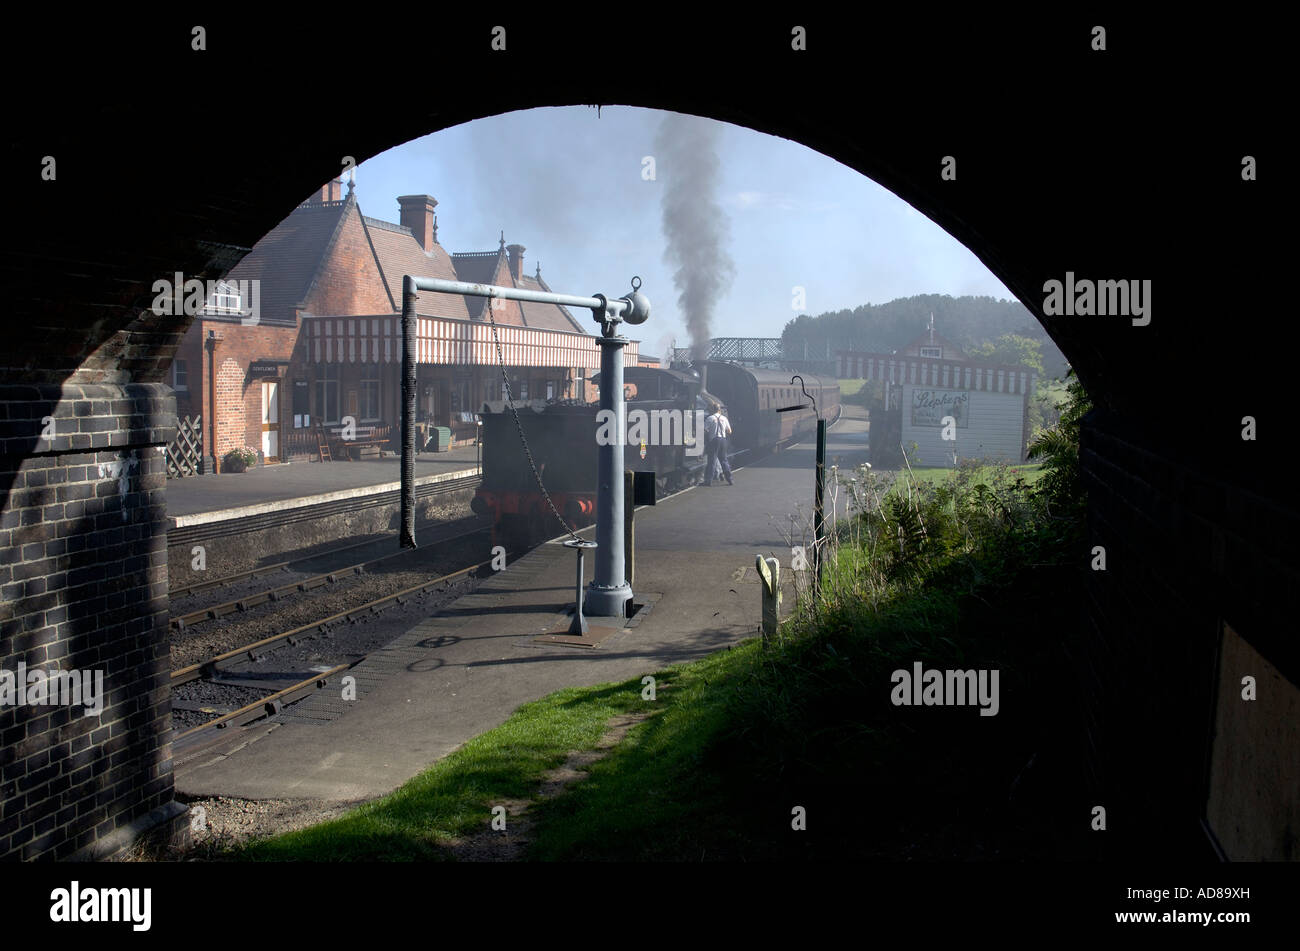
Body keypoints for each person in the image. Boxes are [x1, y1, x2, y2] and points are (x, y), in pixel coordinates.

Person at [703, 402, 734, 486]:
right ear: (719, 409)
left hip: (714, 440)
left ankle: (708, 481)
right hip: (723, 440)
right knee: (724, 460)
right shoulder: (724, 418)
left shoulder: (710, 418)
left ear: (712, 409)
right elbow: (729, 431)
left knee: (712, 461)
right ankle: (730, 479)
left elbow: (705, 430)